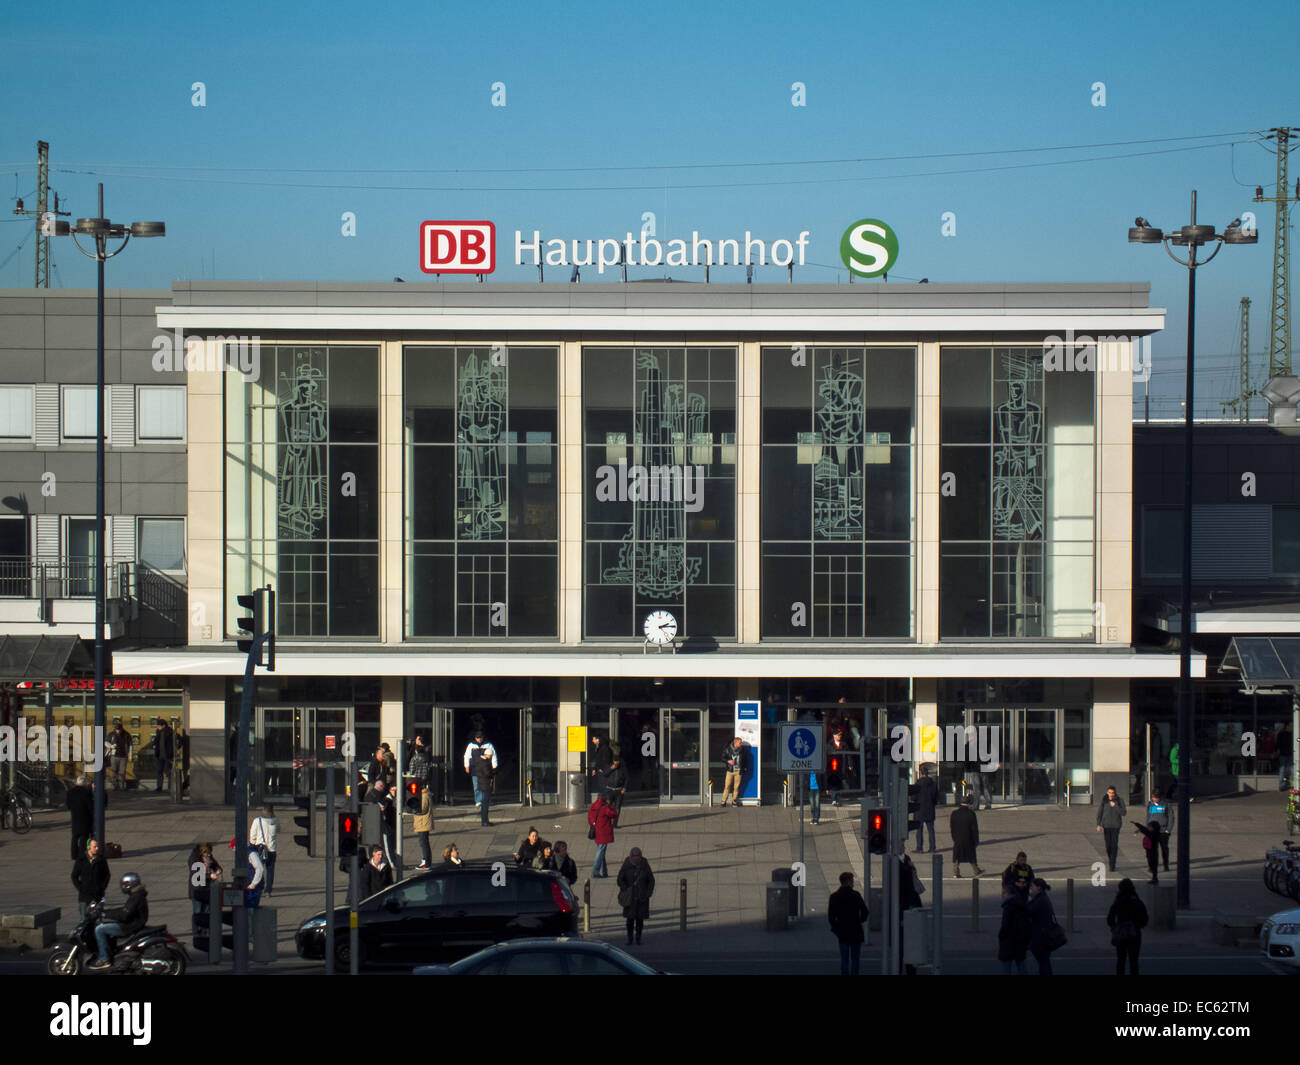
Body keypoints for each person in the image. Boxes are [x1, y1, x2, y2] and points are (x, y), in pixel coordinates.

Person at [88, 872, 148, 969]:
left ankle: (104, 959)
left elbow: (124, 914)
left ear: (130, 884)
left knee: (99, 929)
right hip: (132, 922)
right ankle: (110, 950)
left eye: (124, 885)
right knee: (103, 923)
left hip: (130, 925)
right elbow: (124, 910)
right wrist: (106, 912)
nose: (123, 887)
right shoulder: (137, 895)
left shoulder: (136, 897)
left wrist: (104, 914)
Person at [827, 871, 869, 976]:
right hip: (855, 930)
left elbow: (831, 917)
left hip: (842, 932)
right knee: (855, 959)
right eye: (852, 880)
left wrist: (836, 929)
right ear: (848, 881)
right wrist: (860, 921)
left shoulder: (834, 896)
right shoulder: (855, 895)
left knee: (844, 960)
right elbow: (865, 912)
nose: (853, 882)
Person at [1107, 877, 1149, 975]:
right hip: (1134, 933)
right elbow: (1145, 918)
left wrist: (1115, 927)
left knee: (1121, 960)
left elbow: (1110, 919)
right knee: (1134, 961)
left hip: (1122, 932)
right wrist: (1137, 925)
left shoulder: (1118, 901)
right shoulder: (1136, 901)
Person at [616, 846, 655, 945]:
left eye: (638, 856)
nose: (636, 858)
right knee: (630, 920)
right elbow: (620, 878)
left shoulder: (645, 865)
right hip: (630, 898)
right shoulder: (626, 864)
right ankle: (630, 938)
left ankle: (638, 937)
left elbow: (651, 880)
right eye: (634, 856)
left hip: (641, 897)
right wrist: (624, 888)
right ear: (631, 856)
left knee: (639, 919)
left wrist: (648, 893)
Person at [463, 731, 498, 826]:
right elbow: (466, 756)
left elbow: (494, 756)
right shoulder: (471, 745)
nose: (479, 739)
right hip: (476, 771)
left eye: (480, 737)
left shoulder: (488, 745)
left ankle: (481, 801)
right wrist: (467, 766)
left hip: (478, 771)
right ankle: (478, 800)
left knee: (479, 787)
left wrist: (495, 766)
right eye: (478, 737)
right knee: (476, 786)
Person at [71, 838, 111, 919]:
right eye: (94, 847)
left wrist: (102, 888)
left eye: (97, 846)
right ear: (89, 847)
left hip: (97, 896)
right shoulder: (81, 860)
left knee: (98, 919)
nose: (97, 848)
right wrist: (81, 888)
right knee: (84, 919)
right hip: (84, 897)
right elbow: (74, 876)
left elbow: (107, 875)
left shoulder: (101, 860)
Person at [1026, 878, 1059, 975]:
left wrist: (1029, 901)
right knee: (1044, 962)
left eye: (1032, 886)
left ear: (1039, 888)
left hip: (1041, 937)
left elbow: (1029, 912)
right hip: (1044, 936)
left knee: (1043, 962)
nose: (1031, 888)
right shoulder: (1042, 897)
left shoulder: (1040, 900)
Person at [997, 885, 1031, 974]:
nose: (1002, 895)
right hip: (1021, 941)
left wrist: (1001, 937)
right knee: (1021, 965)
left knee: (1006, 967)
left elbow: (1005, 926)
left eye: (1003, 893)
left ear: (1007, 894)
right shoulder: (1021, 905)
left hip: (1009, 942)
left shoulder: (1008, 907)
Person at [188, 842, 223, 923]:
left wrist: (218, 869)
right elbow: (196, 874)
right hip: (197, 889)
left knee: (207, 911)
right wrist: (210, 876)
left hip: (207, 888)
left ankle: (206, 929)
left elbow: (215, 864)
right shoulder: (194, 859)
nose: (209, 855)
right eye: (207, 854)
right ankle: (198, 930)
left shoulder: (208, 856)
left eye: (210, 853)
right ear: (202, 852)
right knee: (198, 911)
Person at [950, 794, 983, 877]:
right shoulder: (971, 814)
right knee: (971, 855)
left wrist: (954, 837)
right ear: (968, 803)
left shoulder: (954, 813)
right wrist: (976, 840)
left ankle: (956, 872)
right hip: (968, 838)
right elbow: (974, 829)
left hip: (958, 838)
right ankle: (976, 870)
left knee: (957, 855)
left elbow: (952, 827)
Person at [249, 804, 279, 896]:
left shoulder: (257, 821)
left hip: (260, 848)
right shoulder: (275, 820)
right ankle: (268, 890)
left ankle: (258, 887)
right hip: (272, 849)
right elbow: (278, 830)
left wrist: (252, 843)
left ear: (263, 810)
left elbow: (252, 835)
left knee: (259, 869)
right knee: (270, 870)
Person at [366, 779, 397, 865]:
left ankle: (372, 861)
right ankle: (391, 862)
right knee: (386, 844)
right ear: (380, 787)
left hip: (370, 823)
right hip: (380, 823)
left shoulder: (369, 794)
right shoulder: (380, 796)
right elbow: (383, 808)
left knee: (372, 845)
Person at [1096, 785, 1126, 872]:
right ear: (1107, 792)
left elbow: (1124, 813)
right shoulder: (1104, 800)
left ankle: (1112, 864)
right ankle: (1111, 859)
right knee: (1108, 846)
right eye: (1109, 792)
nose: (1111, 794)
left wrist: (1115, 806)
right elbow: (1100, 812)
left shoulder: (1120, 800)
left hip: (1116, 826)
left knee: (1114, 845)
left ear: (1115, 793)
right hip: (1106, 825)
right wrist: (1098, 824)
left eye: (1112, 793)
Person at [588, 789, 617, 877]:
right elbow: (614, 814)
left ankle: (604, 871)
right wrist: (611, 806)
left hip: (597, 831)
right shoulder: (605, 808)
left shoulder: (593, 806)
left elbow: (590, 818)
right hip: (604, 832)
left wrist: (593, 824)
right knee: (600, 852)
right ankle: (595, 872)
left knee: (602, 852)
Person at [66, 774, 94, 862]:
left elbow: (68, 805)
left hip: (75, 816)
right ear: (84, 783)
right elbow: (90, 806)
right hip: (85, 817)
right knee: (84, 837)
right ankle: (81, 854)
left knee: (75, 837)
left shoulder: (70, 792)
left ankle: (74, 855)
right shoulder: (86, 792)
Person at [1146, 787, 1173, 873]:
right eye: (1153, 797)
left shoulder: (1166, 804)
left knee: (1164, 849)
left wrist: (1168, 829)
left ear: (1159, 797)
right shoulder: (1150, 804)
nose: (1154, 799)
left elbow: (1171, 817)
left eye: (1155, 797)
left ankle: (1166, 865)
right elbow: (1148, 816)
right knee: (1152, 850)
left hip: (1163, 831)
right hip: (1153, 831)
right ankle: (1152, 866)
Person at [914, 763, 939, 852]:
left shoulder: (917, 784)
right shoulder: (933, 784)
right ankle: (932, 847)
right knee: (931, 830)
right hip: (929, 809)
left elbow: (914, 797)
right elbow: (936, 798)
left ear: (921, 773)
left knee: (919, 830)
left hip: (919, 810)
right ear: (927, 773)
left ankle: (919, 847)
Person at [1131, 820, 1162, 884]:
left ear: (1153, 828)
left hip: (1152, 852)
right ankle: (1154, 877)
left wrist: (1137, 824)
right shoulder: (1155, 833)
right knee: (1152, 864)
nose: (1148, 828)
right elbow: (1145, 829)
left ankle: (1155, 878)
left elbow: (1144, 830)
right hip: (1151, 851)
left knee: (1152, 864)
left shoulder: (1152, 834)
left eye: (1150, 827)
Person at [719, 736, 745, 808]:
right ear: (735, 743)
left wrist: (744, 768)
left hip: (738, 771)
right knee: (727, 786)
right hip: (730, 771)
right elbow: (722, 758)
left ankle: (734, 801)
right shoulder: (728, 749)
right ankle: (723, 801)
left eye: (741, 743)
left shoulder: (742, 750)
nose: (741, 744)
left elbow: (745, 759)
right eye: (740, 743)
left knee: (736, 787)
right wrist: (728, 761)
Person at [413, 782, 434, 869]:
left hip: (422, 823)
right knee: (424, 842)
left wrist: (413, 808)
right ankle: (426, 860)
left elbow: (422, 809)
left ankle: (426, 861)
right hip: (423, 823)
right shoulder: (425, 795)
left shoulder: (424, 796)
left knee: (423, 843)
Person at [606, 749, 628, 825]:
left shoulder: (623, 768)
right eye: (615, 761)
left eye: (617, 761)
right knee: (608, 806)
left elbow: (627, 778)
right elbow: (605, 775)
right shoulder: (610, 766)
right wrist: (611, 769)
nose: (616, 763)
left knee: (617, 807)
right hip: (610, 790)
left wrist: (624, 788)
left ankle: (615, 823)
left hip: (619, 790)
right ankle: (607, 822)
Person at [152, 719, 174, 792]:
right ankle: (159, 787)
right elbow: (156, 740)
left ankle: (170, 787)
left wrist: (172, 751)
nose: (158, 727)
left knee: (168, 772)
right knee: (159, 771)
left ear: (163, 725)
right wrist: (154, 745)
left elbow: (175, 742)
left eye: (159, 726)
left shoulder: (170, 732)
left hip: (167, 755)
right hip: (160, 755)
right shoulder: (158, 732)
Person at [108, 721, 130, 790]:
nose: (118, 731)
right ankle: (114, 786)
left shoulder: (126, 734)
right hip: (114, 755)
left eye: (119, 729)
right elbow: (106, 742)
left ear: (121, 729)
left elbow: (130, 744)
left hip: (123, 756)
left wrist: (129, 755)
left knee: (122, 772)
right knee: (114, 771)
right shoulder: (111, 734)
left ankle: (121, 786)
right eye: (117, 729)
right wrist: (111, 746)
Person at [1277, 724, 1294, 790]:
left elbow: (1278, 744)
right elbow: (1278, 744)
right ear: (1287, 726)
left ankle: (1284, 785)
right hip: (1286, 754)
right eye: (1290, 726)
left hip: (1286, 754)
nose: (1291, 728)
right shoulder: (1291, 734)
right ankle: (1288, 785)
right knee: (1285, 769)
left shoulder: (1281, 734)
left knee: (1285, 770)